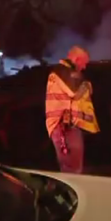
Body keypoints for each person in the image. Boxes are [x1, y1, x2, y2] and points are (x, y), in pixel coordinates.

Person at [44, 46, 99, 174]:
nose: (84, 67)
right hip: (66, 129)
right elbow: (75, 91)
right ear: (77, 59)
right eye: (84, 63)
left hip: (67, 128)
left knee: (72, 171)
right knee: (73, 172)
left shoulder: (63, 73)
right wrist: (86, 84)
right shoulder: (62, 71)